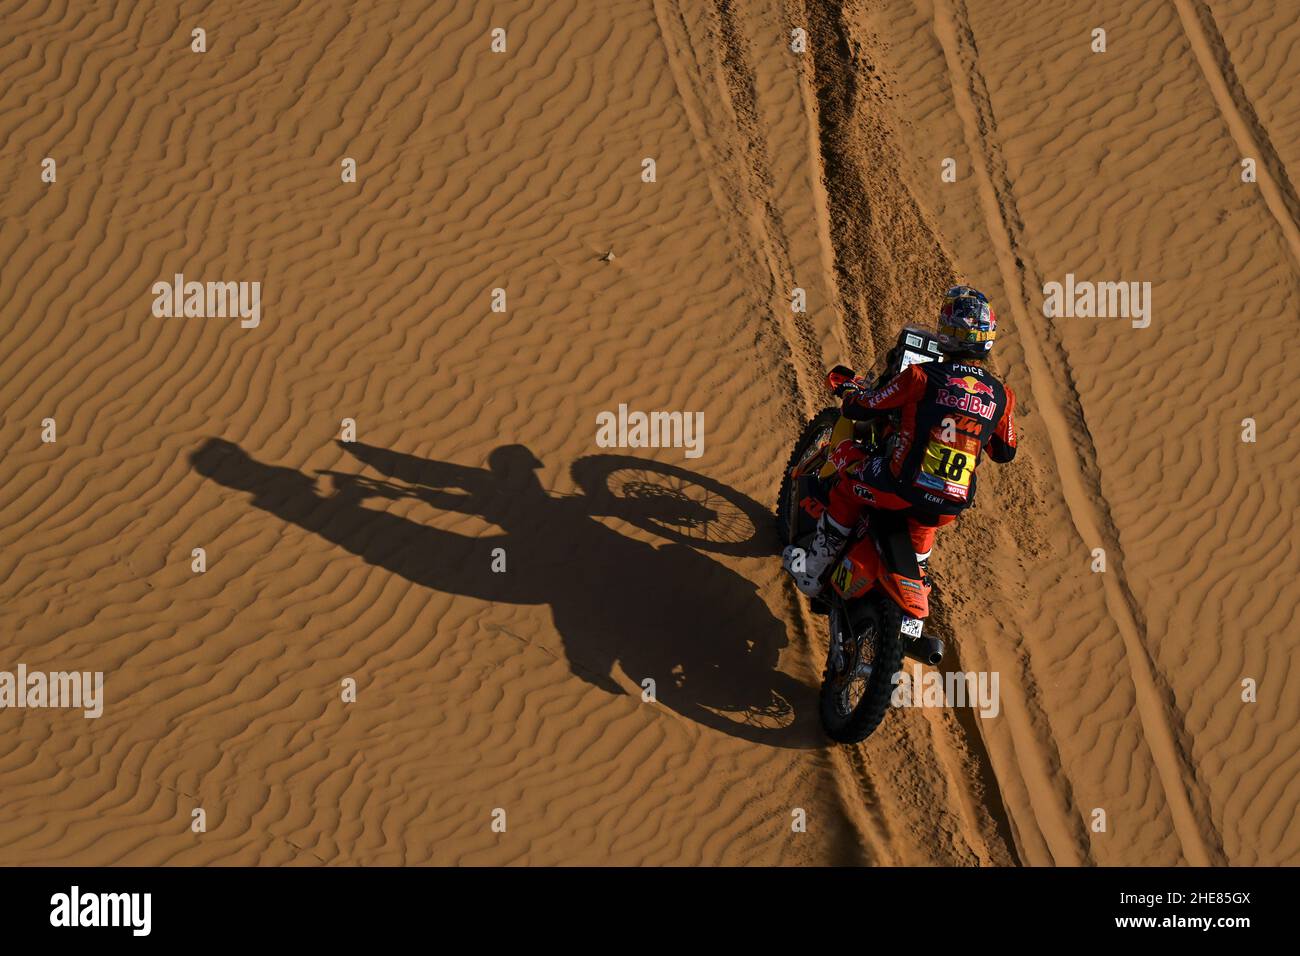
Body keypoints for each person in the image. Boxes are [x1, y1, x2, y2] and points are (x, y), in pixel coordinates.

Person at [783, 286, 1018, 596]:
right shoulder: (1002, 395)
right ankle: (917, 572)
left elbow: (866, 405)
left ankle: (813, 570)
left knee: (847, 478)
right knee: (924, 524)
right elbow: (1004, 451)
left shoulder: (920, 377)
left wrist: (853, 394)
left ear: (945, 330)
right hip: (951, 504)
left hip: (899, 485)